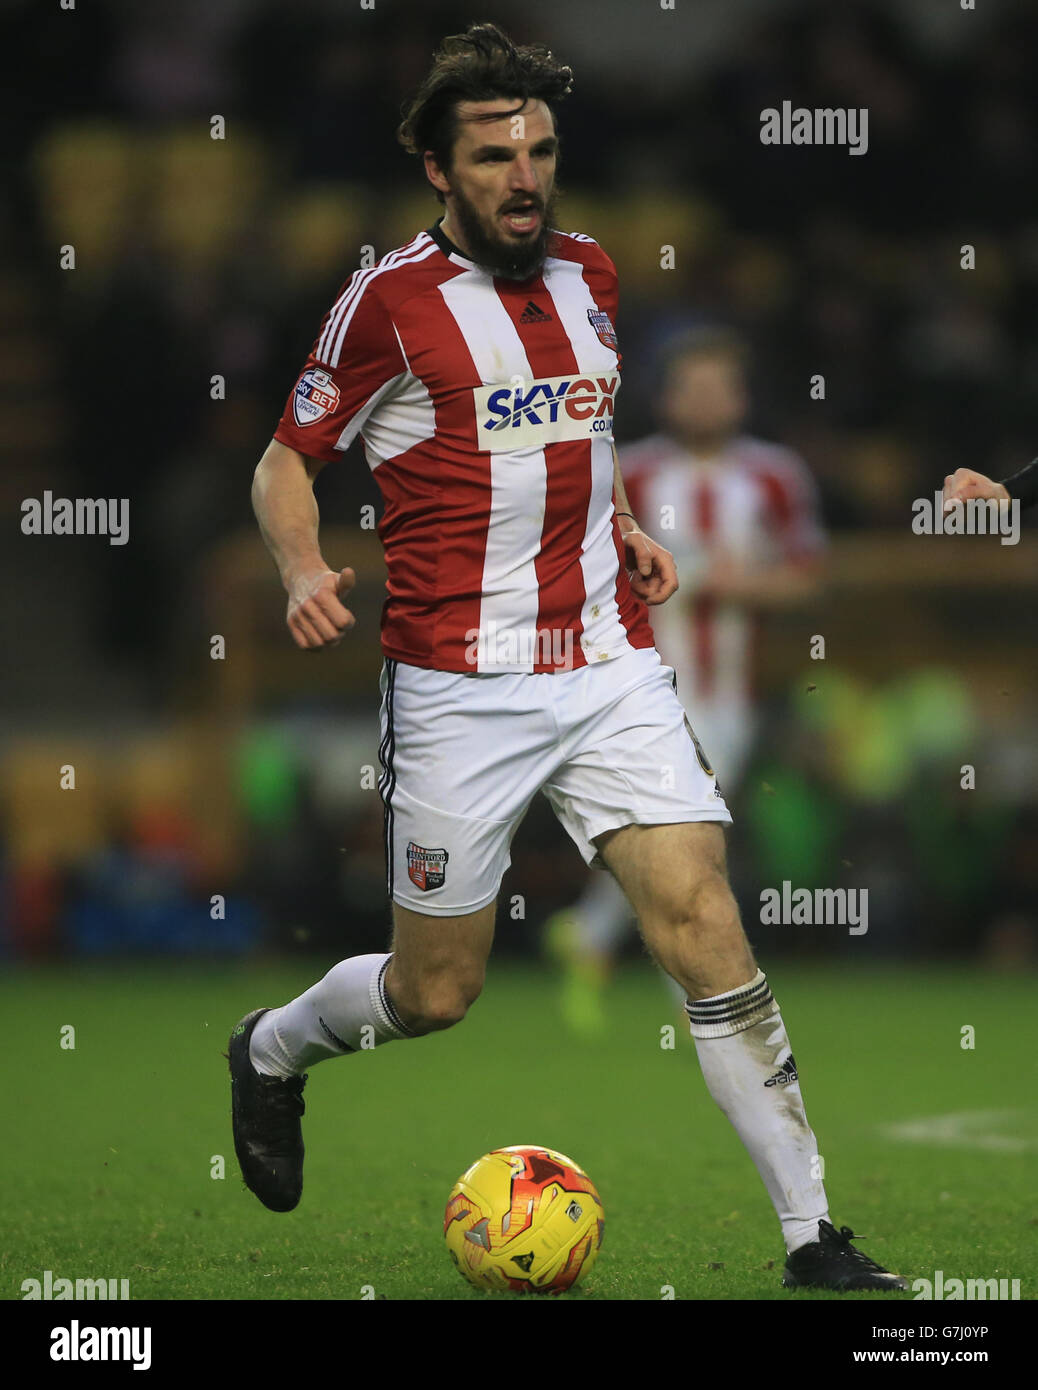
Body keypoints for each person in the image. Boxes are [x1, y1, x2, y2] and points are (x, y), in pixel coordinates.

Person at [229, 21, 905, 1292]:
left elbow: (577, 448)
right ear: (440, 168)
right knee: (436, 994)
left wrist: (631, 530)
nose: (525, 175)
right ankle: (271, 1048)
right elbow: (284, 462)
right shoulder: (385, 303)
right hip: (457, 684)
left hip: (606, 660)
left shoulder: (593, 271)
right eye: (495, 155)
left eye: (540, 149)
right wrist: (303, 567)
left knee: (704, 919)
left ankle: (815, 1238)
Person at [544, 328, 826, 1033]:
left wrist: (739, 584)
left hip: (728, 690)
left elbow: (808, 578)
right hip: (633, 681)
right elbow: (574, 568)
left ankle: (590, 936)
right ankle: (695, 985)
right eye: (691, 386)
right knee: (682, 825)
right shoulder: (627, 471)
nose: (705, 400)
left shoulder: (774, 476)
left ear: (741, 397)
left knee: (670, 825)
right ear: (666, 397)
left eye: (719, 386)